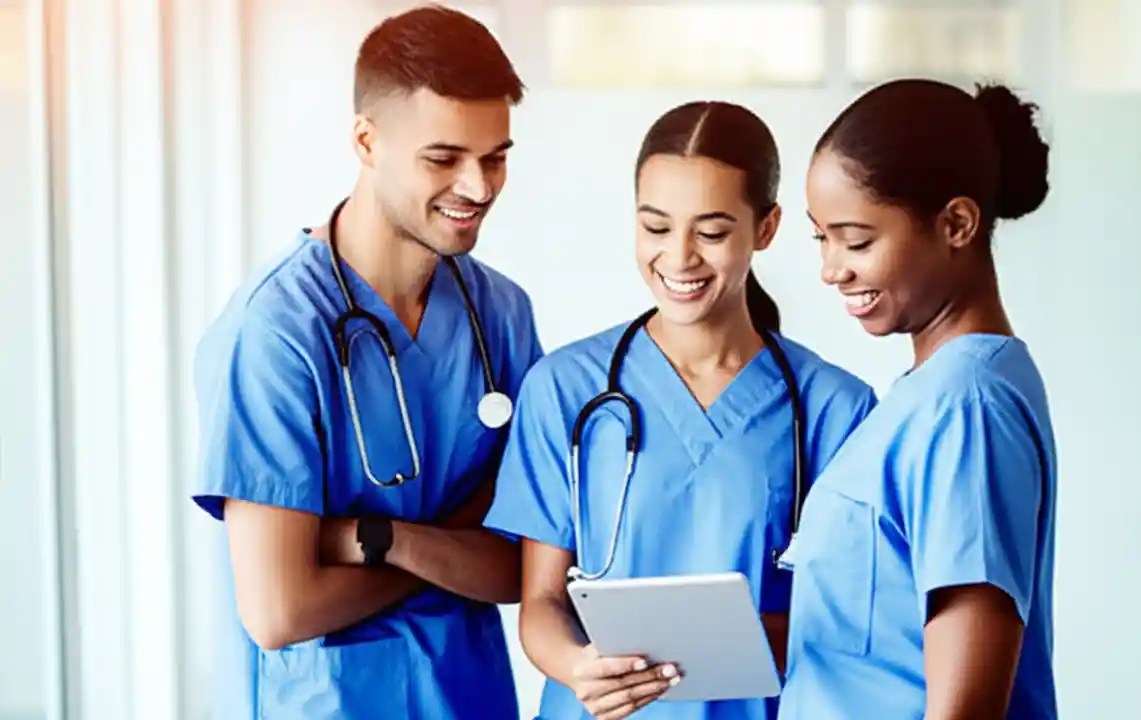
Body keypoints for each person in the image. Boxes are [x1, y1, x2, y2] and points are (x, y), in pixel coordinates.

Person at [190, 6, 541, 719]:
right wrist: (450, 548)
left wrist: (376, 539)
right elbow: (280, 609)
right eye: (443, 158)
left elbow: (519, 568)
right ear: (366, 141)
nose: (478, 187)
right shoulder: (277, 332)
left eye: (496, 156)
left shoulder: (500, 315)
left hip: (469, 698)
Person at [484, 100, 878, 720]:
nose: (679, 257)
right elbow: (541, 601)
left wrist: (738, 640)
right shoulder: (566, 388)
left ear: (767, 228)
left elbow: (850, 617)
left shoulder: (836, 409)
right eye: (656, 226)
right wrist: (579, 668)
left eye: (713, 232)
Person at [778, 78, 1058, 719]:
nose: (832, 268)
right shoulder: (930, 396)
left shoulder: (967, 406)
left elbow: (966, 704)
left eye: (857, 240)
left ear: (956, 223)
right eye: (820, 238)